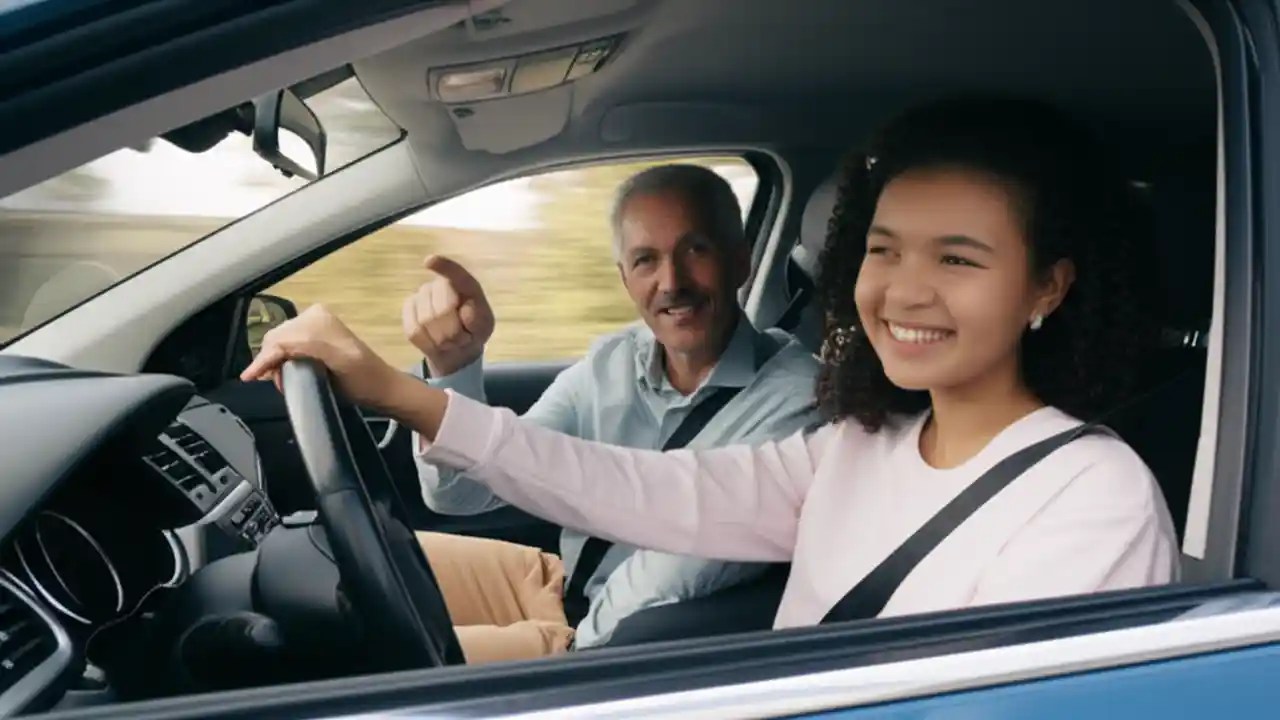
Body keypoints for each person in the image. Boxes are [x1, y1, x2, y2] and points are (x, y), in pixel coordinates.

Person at [243, 95, 1180, 647]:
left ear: (1046, 289)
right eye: (885, 251)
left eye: (960, 260)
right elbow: (642, 491)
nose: (905, 292)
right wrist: (402, 389)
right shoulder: (863, 444)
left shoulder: (1091, 495)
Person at [399, 164, 820, 662]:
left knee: (386, 661)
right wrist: (455, 367)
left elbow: (668, 580)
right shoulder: (613, 360)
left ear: (740, 262)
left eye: (695, 250)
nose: (672, 282)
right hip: (562, 586)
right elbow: (460, 494)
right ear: (624, 279)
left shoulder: (799, 401)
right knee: (372, 569)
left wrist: (573, 664)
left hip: (615, 641)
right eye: (646, 260)